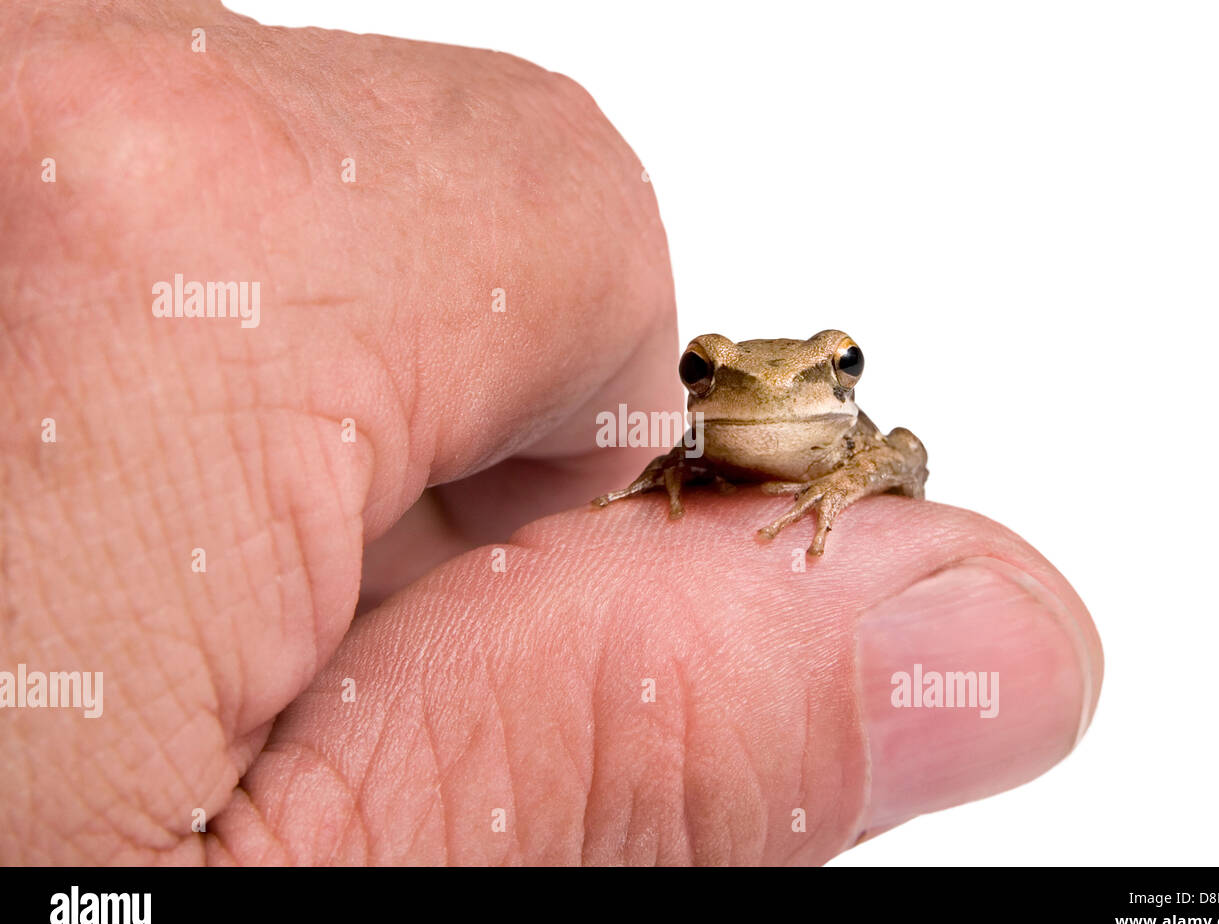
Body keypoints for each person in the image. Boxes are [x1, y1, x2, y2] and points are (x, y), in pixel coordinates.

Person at [0, 0, 1102, 865]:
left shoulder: (854, 433)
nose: (776, 387)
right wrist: (669, 474)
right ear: (701, 386)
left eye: (832, 364)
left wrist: (845, 485)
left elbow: (907, 452)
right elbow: (679, 448)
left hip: (820, 485)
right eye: (705, 372)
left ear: (839, 375)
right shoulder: (703, 440)